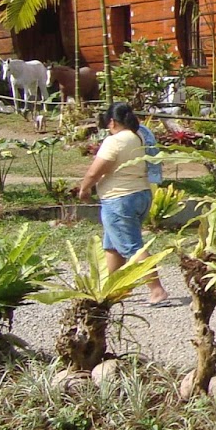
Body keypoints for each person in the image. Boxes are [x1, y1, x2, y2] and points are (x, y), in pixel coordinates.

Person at [77, 101, 166, 306]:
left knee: (131, 246)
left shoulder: (115, 140)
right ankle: (112, 290)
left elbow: (96, 170)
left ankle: (157, 290)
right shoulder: (141, 135)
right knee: (113, 246)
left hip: (119, 198)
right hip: (141, 194)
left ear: (112, 122)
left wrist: (84, 188)